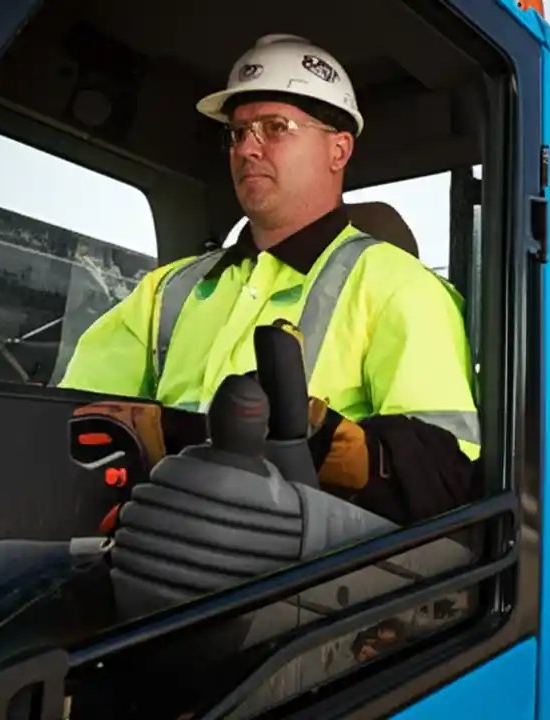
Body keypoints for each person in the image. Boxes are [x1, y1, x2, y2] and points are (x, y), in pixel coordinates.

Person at [59, 34, 479, 524]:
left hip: (305, 579)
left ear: (338, 150)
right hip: (146, 538)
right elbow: (72, 420)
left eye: (274, 128)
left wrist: (330, 444)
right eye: (237, 133)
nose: (247, 148)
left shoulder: (401, 288)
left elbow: (447, 472)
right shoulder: (165, 291)